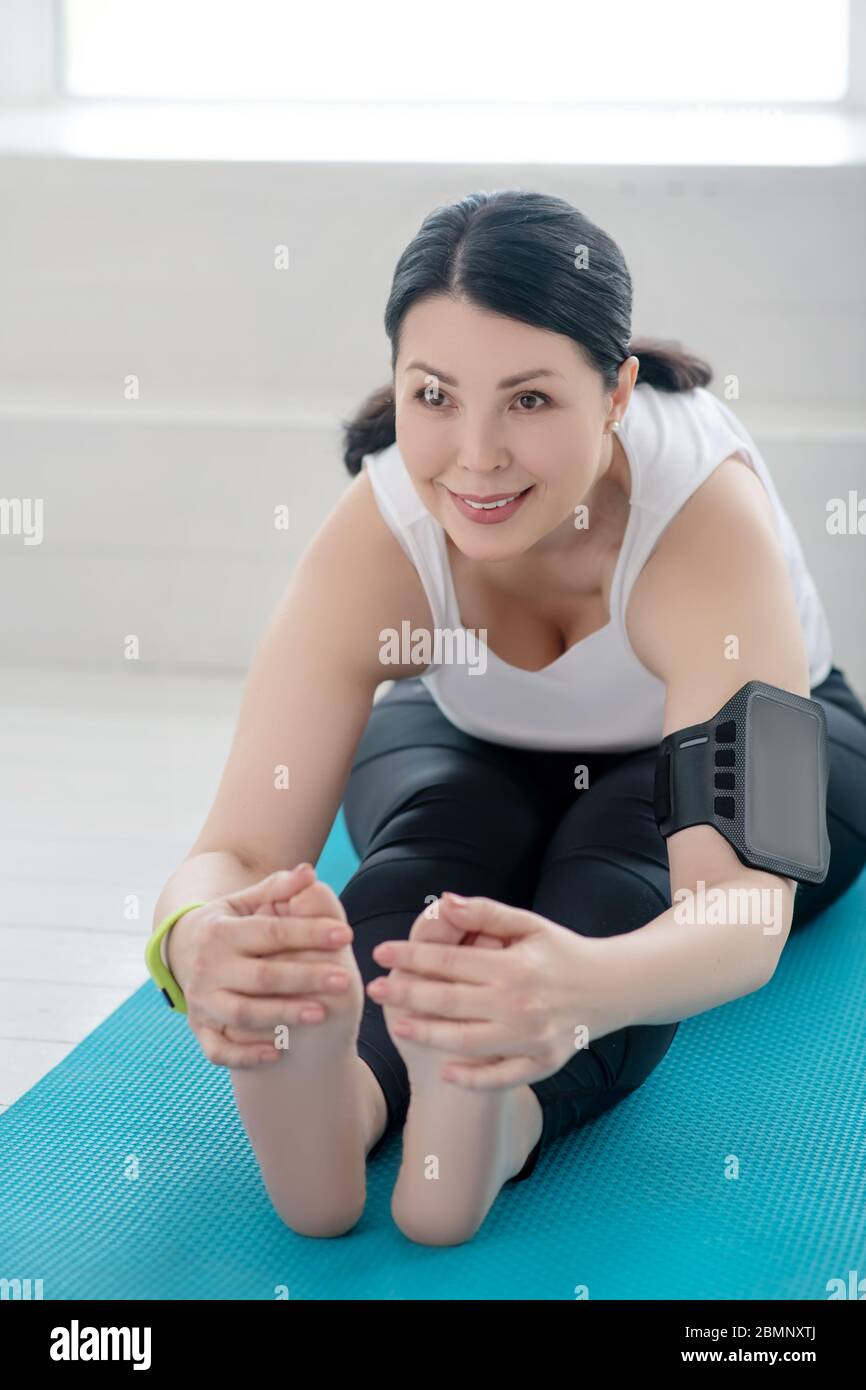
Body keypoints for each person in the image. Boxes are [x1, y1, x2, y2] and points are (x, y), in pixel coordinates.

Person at [152, 189, 866, 1247]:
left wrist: (571, 987)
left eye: (528, 401)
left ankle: (501, 1115)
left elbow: (735, 912)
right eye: (433, 395)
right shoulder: (379, 533)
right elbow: (239, 848)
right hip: (467, 736)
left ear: (616, 392)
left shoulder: (705, 520)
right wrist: (197, 940)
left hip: (768, 747)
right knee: (421, 865)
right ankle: (338, 1095)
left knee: (615, 886)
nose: (474, 455)